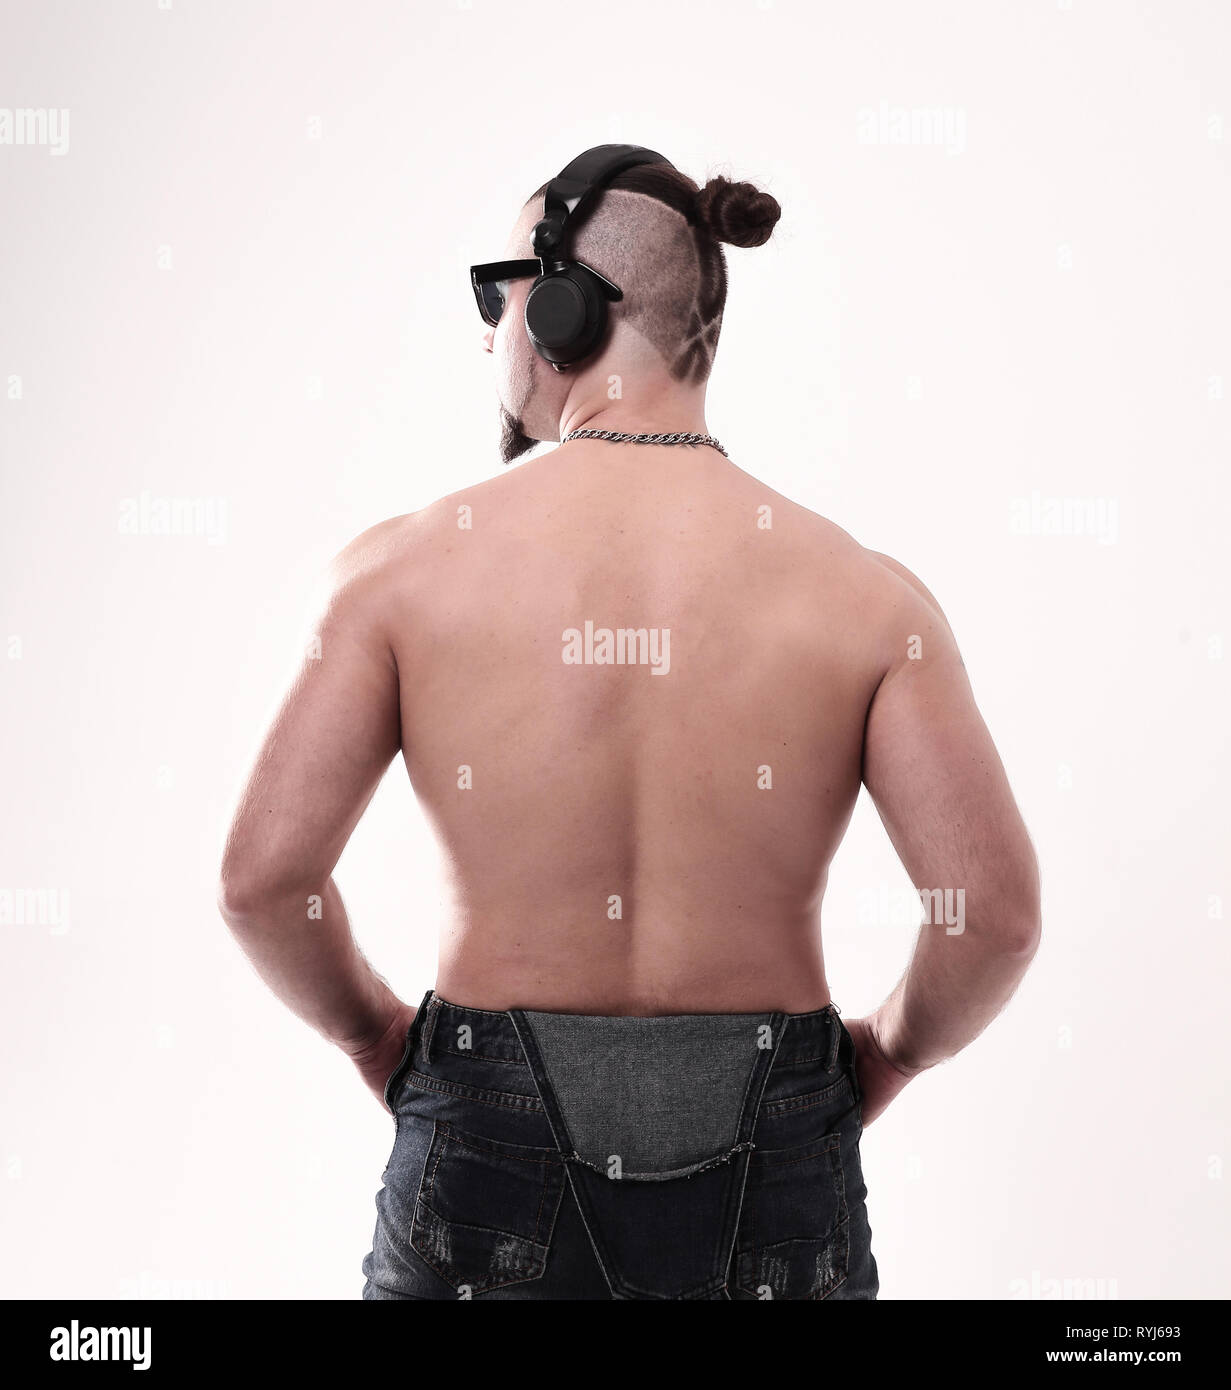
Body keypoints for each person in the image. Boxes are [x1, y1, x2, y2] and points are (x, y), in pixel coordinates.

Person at [217, 145, 1041, 1300]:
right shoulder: (865, 597)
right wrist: (883, 1056)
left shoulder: (397, 575)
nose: (489, 329)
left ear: (559, 309)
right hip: (777, 1136)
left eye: (497, 294)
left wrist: (380, 1043)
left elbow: (261, 882)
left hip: (482, 1141)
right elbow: (992, 918)